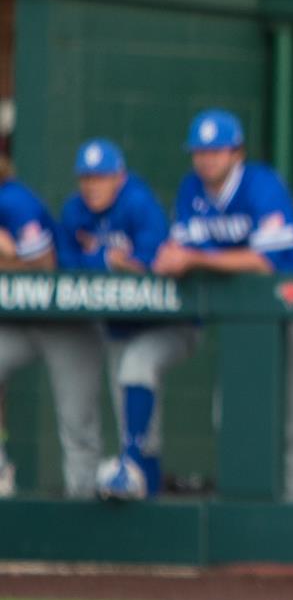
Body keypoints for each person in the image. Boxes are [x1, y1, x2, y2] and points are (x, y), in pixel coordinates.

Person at [155, 109, 293, 503]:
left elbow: (263, 261)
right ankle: (246, 507)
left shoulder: (262, 184)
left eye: (216, 151)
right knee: (234, 411)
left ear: (236, 152)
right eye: (199, 152)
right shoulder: (191, 189)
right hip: (251, 313)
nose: (206, 159)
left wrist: (195, 259)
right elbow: (180, 251)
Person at [55, 138, 195, 501]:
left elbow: (153, 262)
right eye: (85, 178)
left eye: (100, 177)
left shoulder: (139, 203)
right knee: (134, 415)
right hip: (119, 326)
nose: (92, 185)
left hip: (169, 324)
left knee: (136, 369)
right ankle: (145, 493)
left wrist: (129, 264)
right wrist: (106, 259)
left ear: (119, 176)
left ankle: (132, 469)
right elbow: (65, 264)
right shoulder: (75, 210)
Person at [0, 156, 102, 497]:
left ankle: (83, 502)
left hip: (65, 321)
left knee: (77, 421)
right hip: (22, 323)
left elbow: (43, 263)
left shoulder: (12, 198)